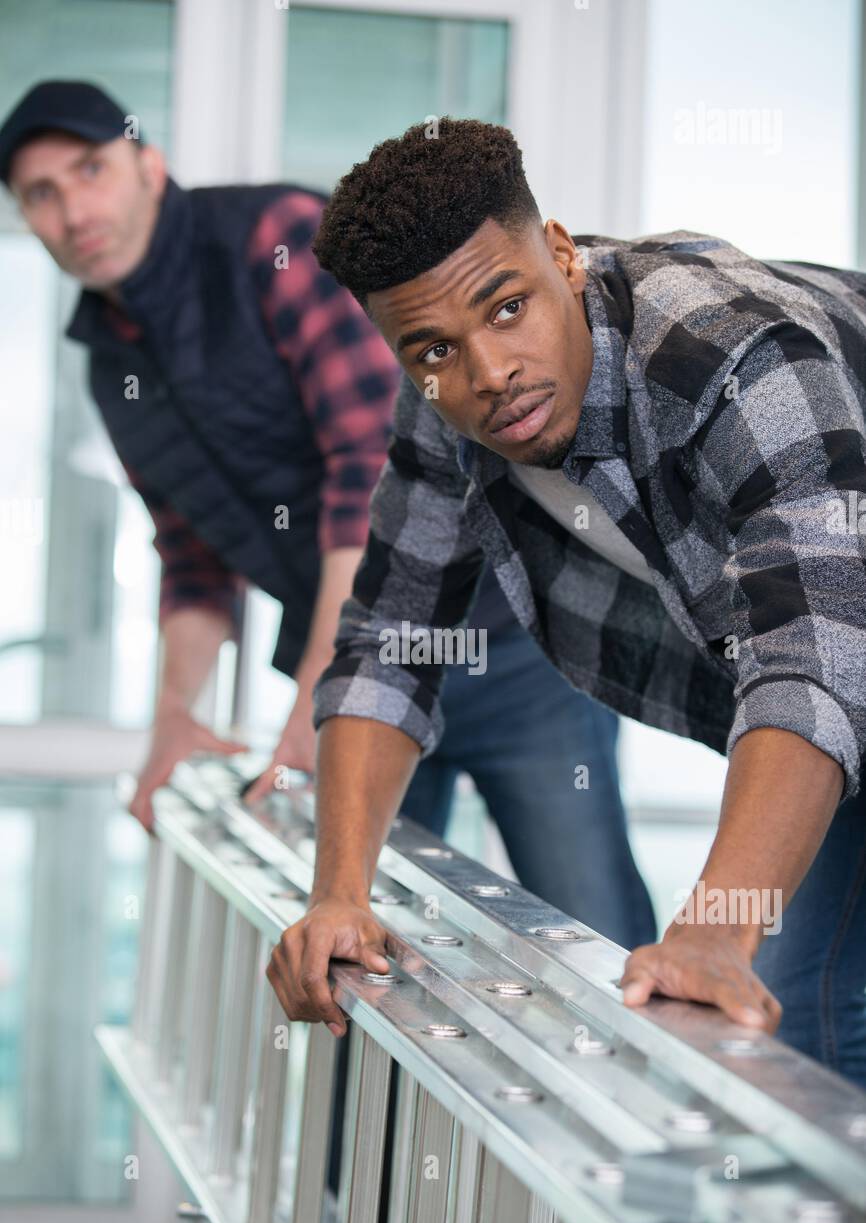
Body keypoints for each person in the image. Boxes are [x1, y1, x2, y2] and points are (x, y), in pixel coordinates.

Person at [266, 118, 866, 1090]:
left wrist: (712, 929)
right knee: (794, 1028)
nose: (487, 373)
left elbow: (819, 643)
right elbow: (390, 644)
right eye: (431, 348)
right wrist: (336, 896)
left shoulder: (734, 353)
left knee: (791, 1019)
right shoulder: (446, 395)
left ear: (559, 253)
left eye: (507, 308)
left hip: (847, 650)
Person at [0, 82, 655, 947]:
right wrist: (172, 720)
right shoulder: (106, 360)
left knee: (592, 928)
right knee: (355, 951)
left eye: (91, 169)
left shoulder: (277, 244)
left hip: (509, 651)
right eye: (41, 194)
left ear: (148, 166)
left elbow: (369, 471)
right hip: (358, 677)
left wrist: (315, 695)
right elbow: (191, 552)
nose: (74, 207)